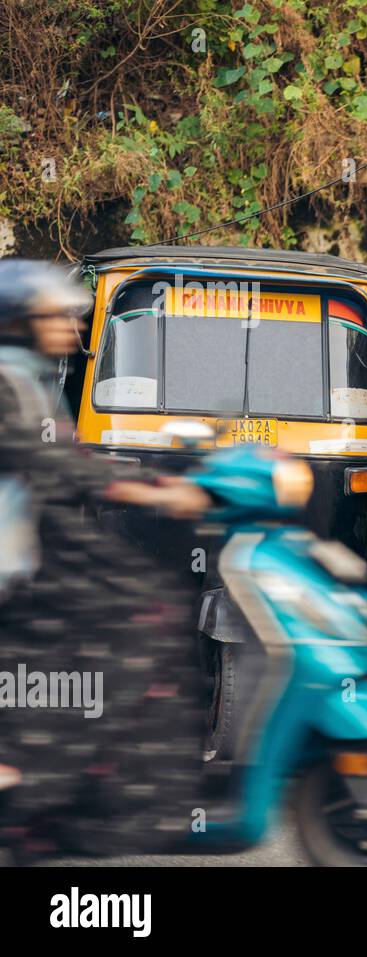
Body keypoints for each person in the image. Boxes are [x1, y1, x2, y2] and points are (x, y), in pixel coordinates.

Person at [0, 259, 208, 860]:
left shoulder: (31, 378)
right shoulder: (7, 381)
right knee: (137, 622)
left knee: (145, 607)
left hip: (37, 547)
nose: (70, 326)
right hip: (19, 563)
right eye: (54, 316)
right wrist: (145, 490)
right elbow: (43, 460)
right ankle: (39, 779)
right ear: (19, 322)